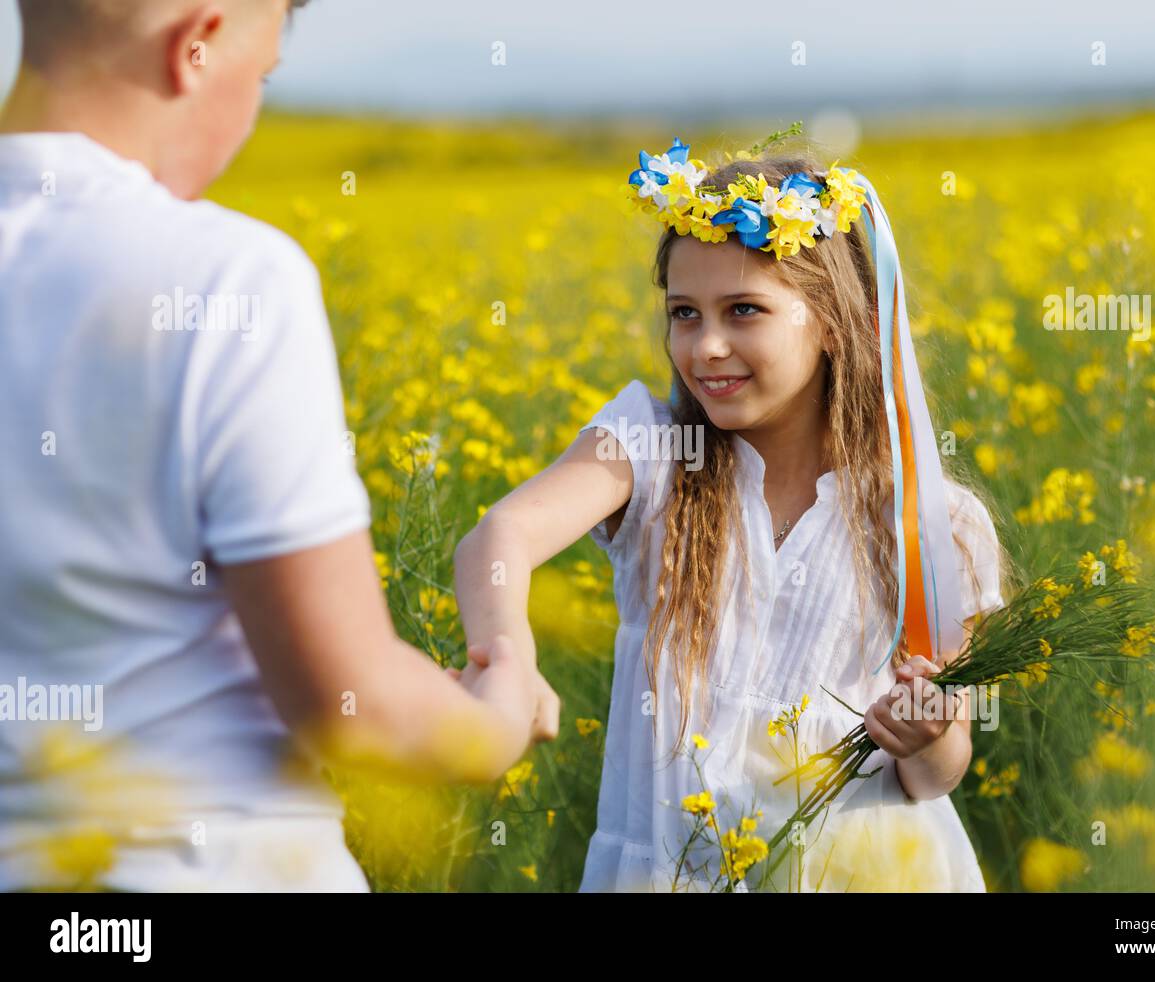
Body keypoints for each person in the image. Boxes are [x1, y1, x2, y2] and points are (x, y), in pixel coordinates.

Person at [0, 0, 558, 892]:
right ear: (200, 41)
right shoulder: (226, 280)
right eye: (260, 79)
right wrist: (498, 710)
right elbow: (352, 709)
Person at [453, 136, 1006, 891]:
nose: (706, 346)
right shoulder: (654, 450)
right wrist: (507, 659)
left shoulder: (929, 521)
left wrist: (926, 735)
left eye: (744, 310)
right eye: (684, 313)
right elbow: (502, 536)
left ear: (834, 323)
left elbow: (938, 776)